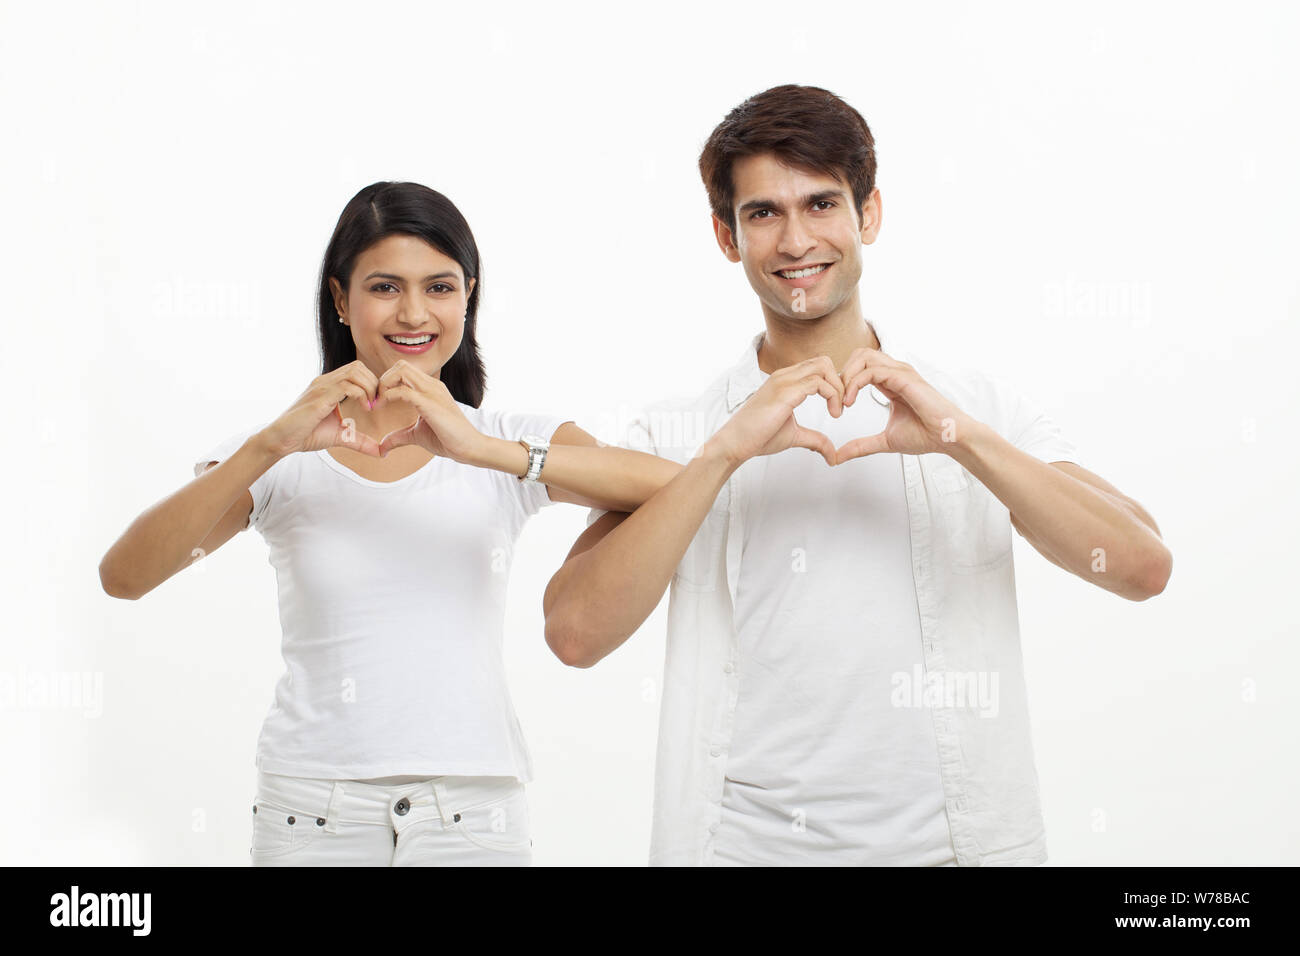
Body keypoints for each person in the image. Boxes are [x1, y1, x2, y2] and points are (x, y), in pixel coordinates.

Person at [542, 84, 1173, 866]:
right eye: (762, 213)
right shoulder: (682, 432)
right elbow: (573, 634)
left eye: (821, 204)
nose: (795, 239)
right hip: (742, 851)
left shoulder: (974, 407)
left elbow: (1143, 566)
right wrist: (721, 456)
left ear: (868, 215)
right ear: (725, 236)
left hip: (962, 849)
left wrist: (960, 439)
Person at [98, 181, 678, 866]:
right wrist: (267, 446)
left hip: (472, 811)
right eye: (384, 287)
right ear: (341, 299)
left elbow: (673, 486)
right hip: (313, 811)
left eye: (439, 287)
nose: (413, 313)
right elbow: (125, 576)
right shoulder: (285, 451)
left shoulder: (508, 440)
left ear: (469, 295)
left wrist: (477, 447)